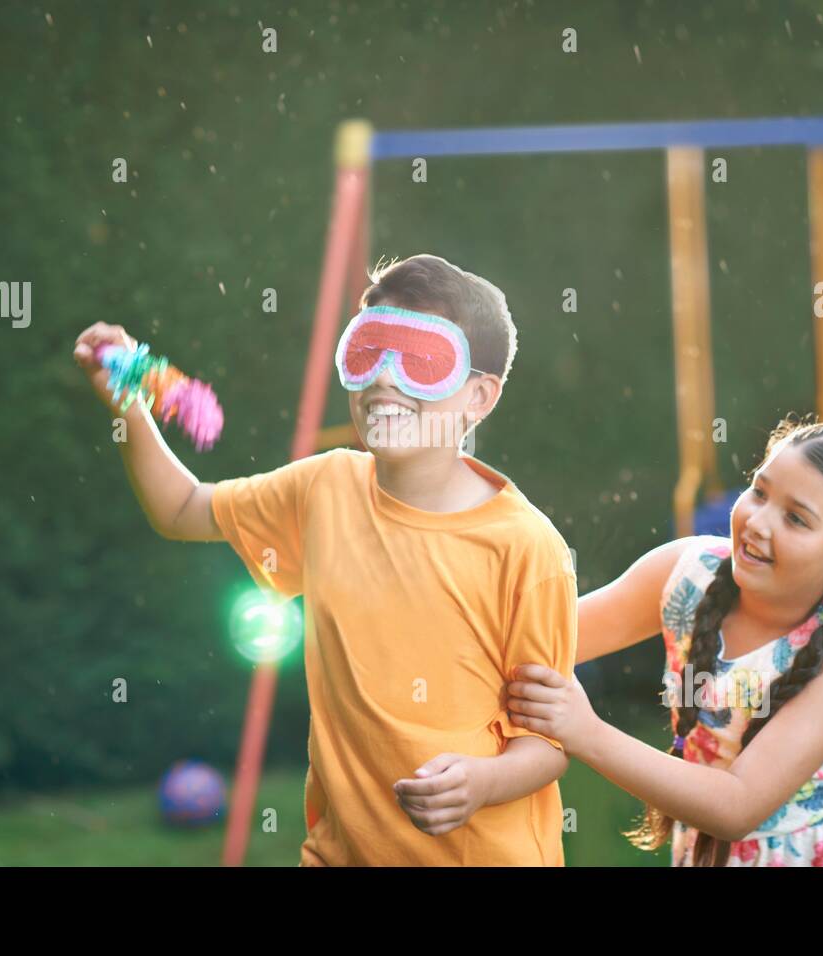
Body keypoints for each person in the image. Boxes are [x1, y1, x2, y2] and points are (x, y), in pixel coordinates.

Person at [74, 253, 576, 865]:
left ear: (479, 396)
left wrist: (481, 783)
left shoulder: (529, 548)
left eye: (421, 359)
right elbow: (180, 509)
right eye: (370, 351)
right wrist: (128, 400)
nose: (386, 379)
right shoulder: (324, 489)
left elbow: (551, 740)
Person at [508, 419, 823, 866]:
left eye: (795, 518)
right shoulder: (686, 573)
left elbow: (736, 807)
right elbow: (538, 640)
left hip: (820, 851)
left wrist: (586, 733)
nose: (758, 522)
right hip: (710, 840)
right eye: (759, 492)